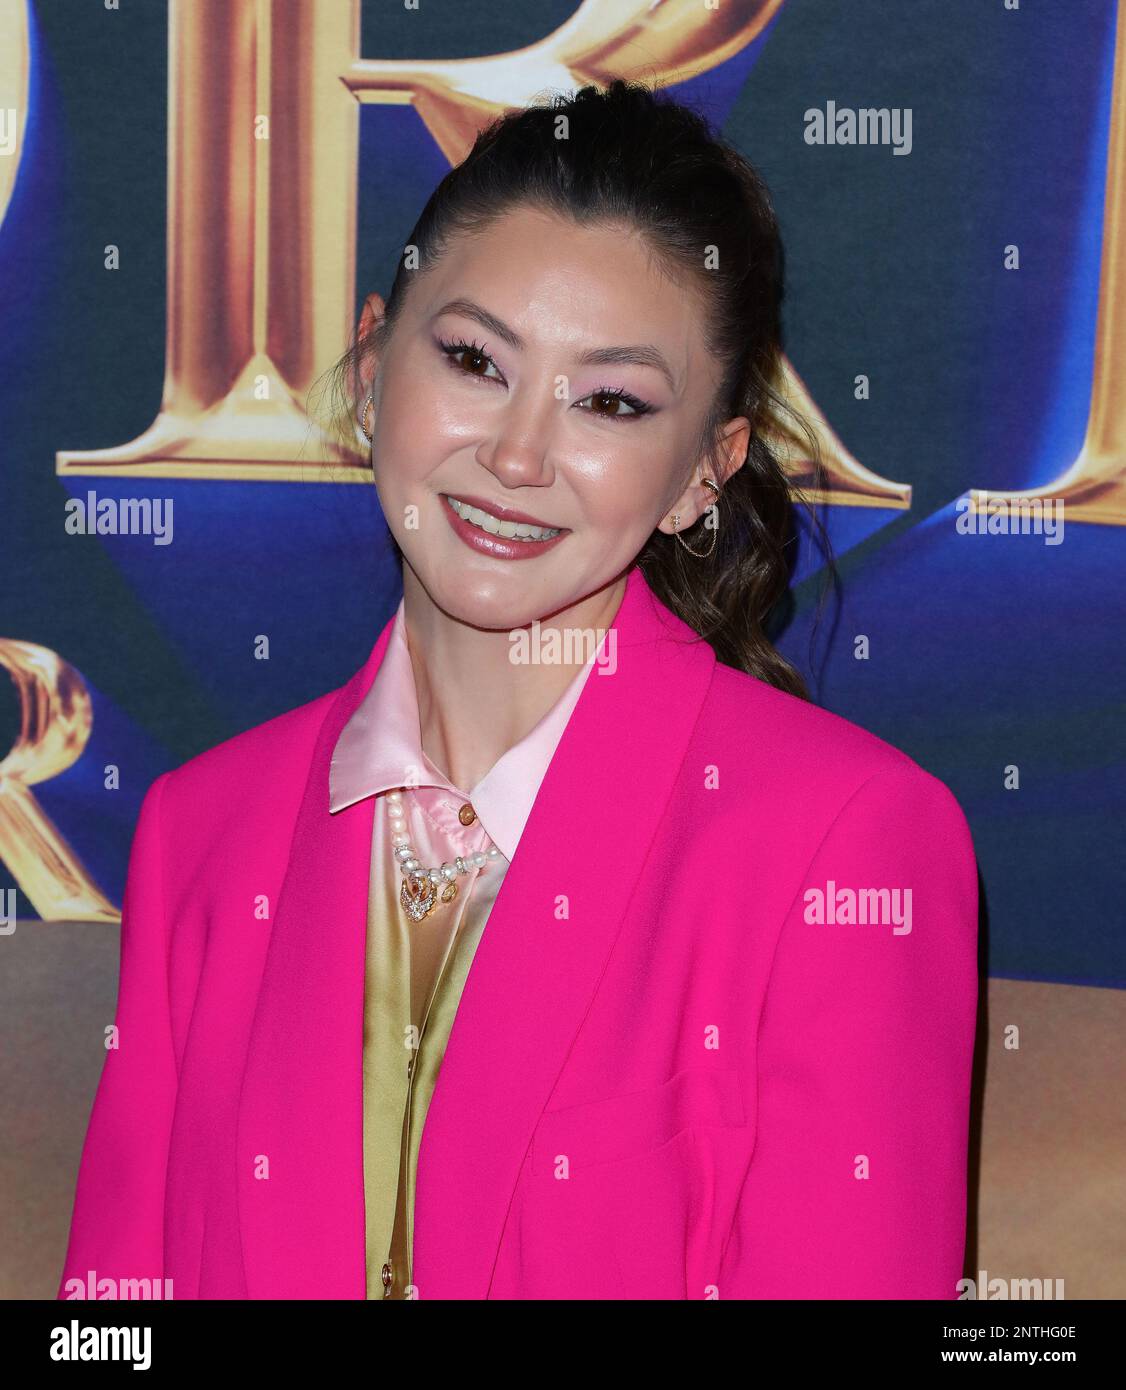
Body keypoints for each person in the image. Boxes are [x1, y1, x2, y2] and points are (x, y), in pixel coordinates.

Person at [57, 80, 979, 1301]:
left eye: (609, 400)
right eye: (474, 360)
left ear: (704, 471)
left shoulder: (842, 843)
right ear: (375, 367)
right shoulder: (201, 832)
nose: (516, 456)